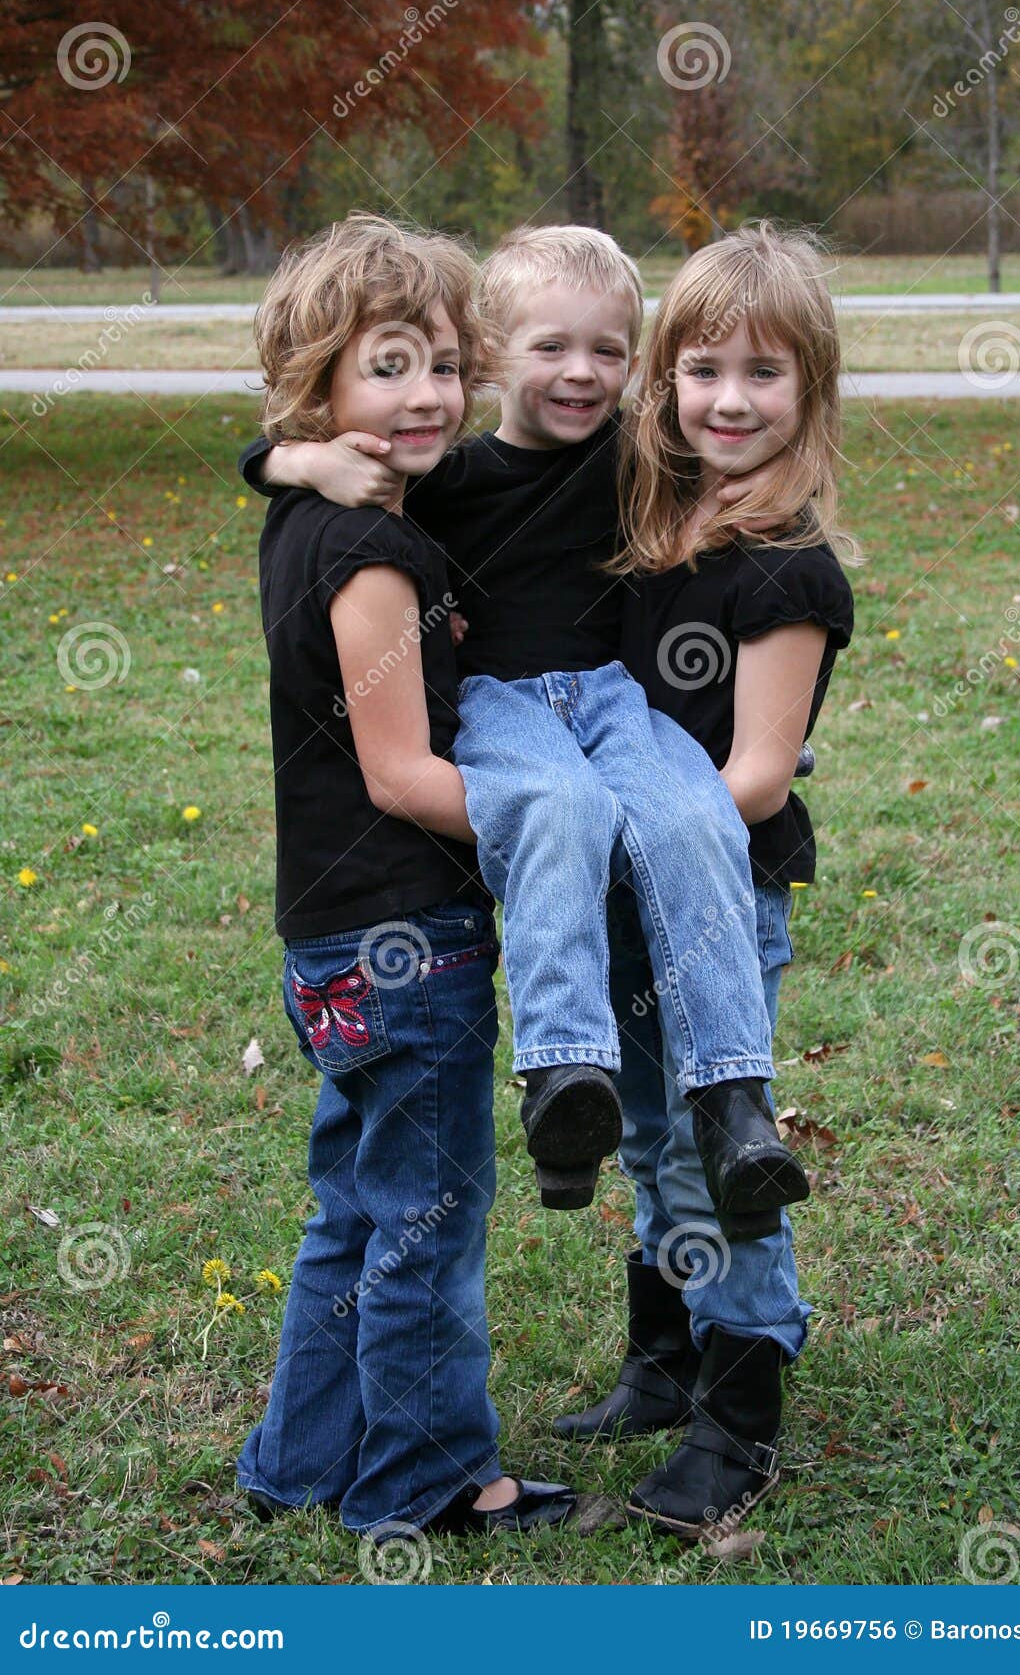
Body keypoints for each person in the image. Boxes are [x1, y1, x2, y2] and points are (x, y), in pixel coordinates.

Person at [239, 223, 807, 1237]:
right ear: (495, 354)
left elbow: (740, 423)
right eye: (550, 347)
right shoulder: (444, 473)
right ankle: (564, 1071)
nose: (580, 373)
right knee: (559, 810)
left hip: (612, 696)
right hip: (500, 704)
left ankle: (735, 1103)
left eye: (607, 350)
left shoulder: (638, 458)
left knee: (690, 817)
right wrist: (307, 462)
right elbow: (269, 453)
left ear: (633, 364)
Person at [236, 211, 577, 1544]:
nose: (429, 391)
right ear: (319, 380)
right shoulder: (370, 554)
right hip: (402, 936)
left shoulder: (312, 501)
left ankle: (298, 1456)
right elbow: (399, 773)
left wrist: (293, 450)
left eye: (443, 361)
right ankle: (427, 1479)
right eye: (388, 364)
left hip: (331, 935)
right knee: (426, 1220)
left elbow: (264, 461)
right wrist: (555, 823)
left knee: (356, 1207)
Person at [554, 220, 856, 1542]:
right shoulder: (646, 518)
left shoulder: (787, 572)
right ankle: (664, 1358)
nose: (729, 399)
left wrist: (609, 826)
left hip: (719, 900)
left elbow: (756, 778)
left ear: (811, 392)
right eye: (703, 369)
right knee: (636, 1124)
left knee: (705, 1143)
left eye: (765, 373)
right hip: (621, 894)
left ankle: (740, 1408)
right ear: (664, 379)